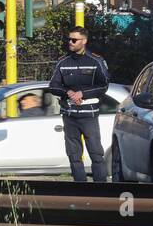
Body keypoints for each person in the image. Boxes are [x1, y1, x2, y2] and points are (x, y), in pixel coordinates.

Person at [47, 26, 110, 182]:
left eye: (74, 40)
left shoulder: (96, 61)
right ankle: (80, 187)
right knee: (74, 154)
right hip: (69, 115)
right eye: (69, 39)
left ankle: (101, 188)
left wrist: (83, 94)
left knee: (96, 153)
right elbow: (53, 86)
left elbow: (104, 85)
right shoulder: (63, 62)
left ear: (84, 41)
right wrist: (68, 93)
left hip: (89, 115)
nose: (70, 42)